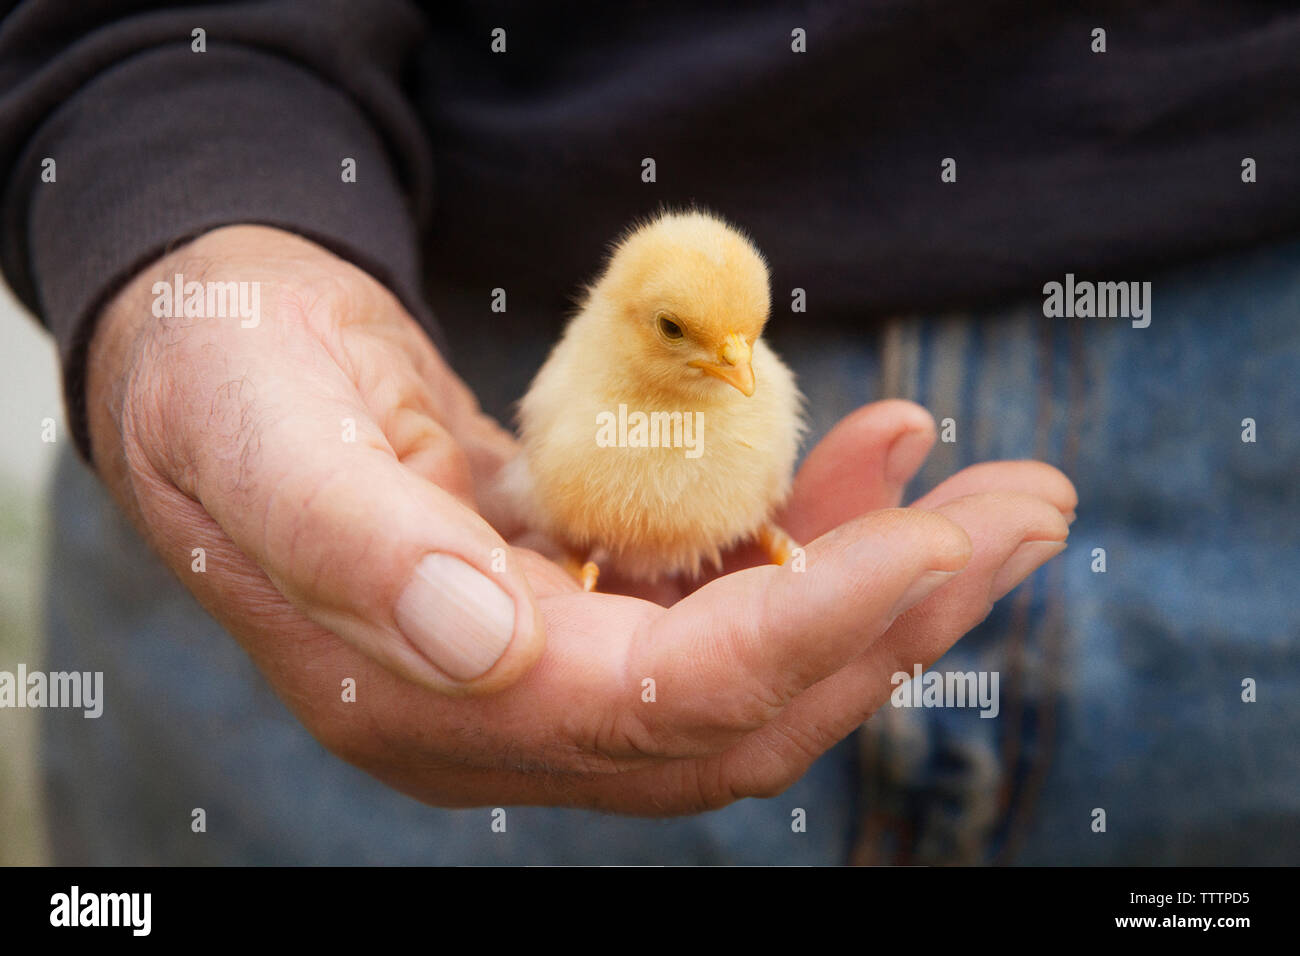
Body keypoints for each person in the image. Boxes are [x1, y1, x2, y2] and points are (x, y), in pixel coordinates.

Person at [2, 1, 1296, 864]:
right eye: (696, 341)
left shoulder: (733, 367)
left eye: (744, 340)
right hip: (405, 323)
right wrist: (188, 191)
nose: (734, 369)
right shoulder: (583, 379)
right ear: (633, 320)